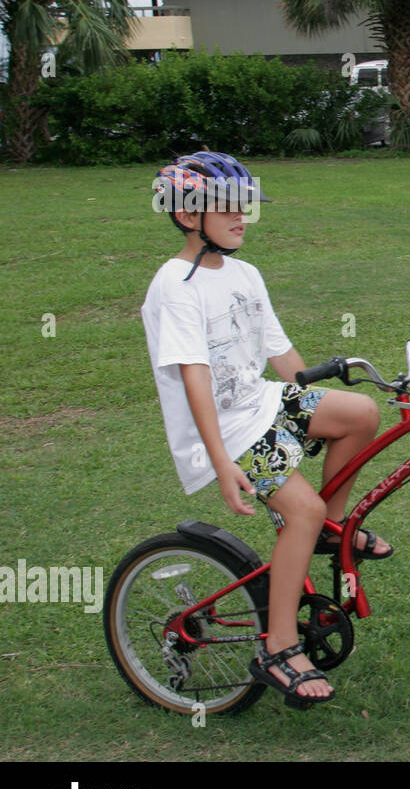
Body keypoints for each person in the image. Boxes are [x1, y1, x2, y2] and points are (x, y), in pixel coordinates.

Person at [141, 152, 388, 707]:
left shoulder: (244, 272)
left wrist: (309, 393)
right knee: (298, 508)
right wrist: (220, 461)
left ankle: (332, 525)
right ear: (187, 216)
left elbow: (278, 350)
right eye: (227, 209)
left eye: (245, 208)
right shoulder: (174, 286)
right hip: (227, 430)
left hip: (264, 402)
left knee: (360, 414)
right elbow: (195, 376)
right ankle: (278, 648)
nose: (242, 218)